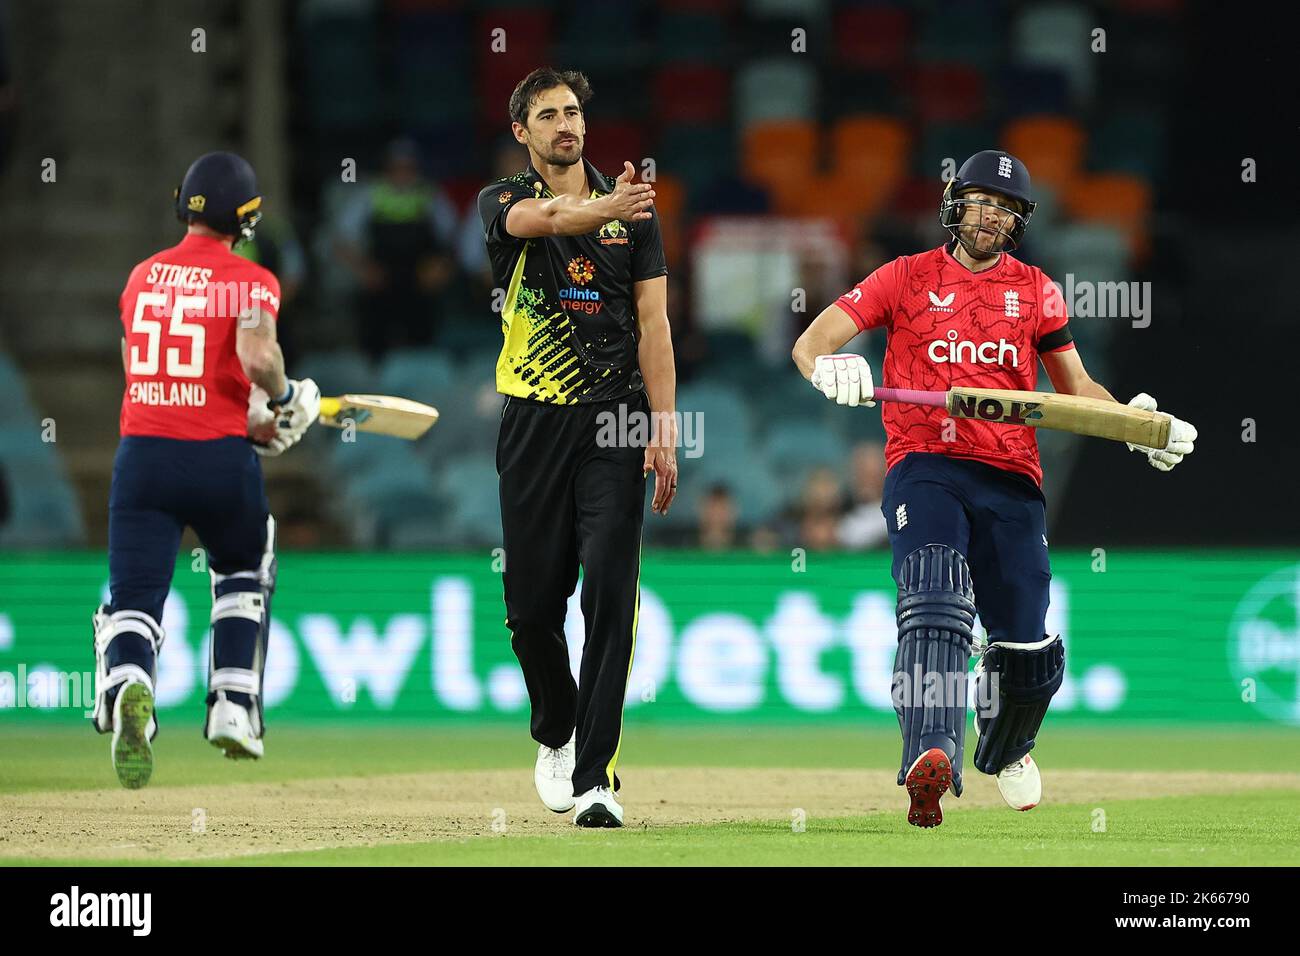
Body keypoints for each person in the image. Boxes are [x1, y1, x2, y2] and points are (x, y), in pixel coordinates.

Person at [792, 150, 1197, 828]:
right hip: (924, 463)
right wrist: (829, 369)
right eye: (981, 200)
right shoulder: (905, 275)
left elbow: (1077, 392)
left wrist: (1135, 424)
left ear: (1020, 222)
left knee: (1026, 646)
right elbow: (813, 342)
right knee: (934, 594)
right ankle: (930, 752)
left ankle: (1008, 745)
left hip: (1011, 475)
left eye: (1006, 208)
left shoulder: (1036, 289)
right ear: (953, 203)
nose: (992, 216)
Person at [478, 68, 677, 828]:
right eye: (547, 115)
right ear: (523, 133)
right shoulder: (502, 202)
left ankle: (596, 777)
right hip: (532, 422)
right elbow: (544, 223)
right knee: (531, 609)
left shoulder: (635, 216)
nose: (566, 124)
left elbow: (653, 325)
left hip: (615, 422)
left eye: (572, 112)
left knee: (609, 593)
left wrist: (664, 427)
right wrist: (602, 208)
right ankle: (555, 728)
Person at [92, 151, 320, 789]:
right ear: (246, 218)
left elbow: (146, 370)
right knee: (244, 567)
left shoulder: (141, 278)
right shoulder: (251, 280)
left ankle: (127, 684)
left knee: (134, 598)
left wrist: (244, 412)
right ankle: (232, 705)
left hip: (143, 455)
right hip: (218, 459)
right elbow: (256, 353)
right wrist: (281, 400)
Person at [334, 137, 459, 361]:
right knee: (374, 333)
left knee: (423, 335)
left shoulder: (430, 195)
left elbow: (452, 238)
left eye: (408, 167)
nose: (402, 173)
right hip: (381, 279)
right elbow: (342, 238)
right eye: (396, 167)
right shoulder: (369, 194)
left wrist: (440, 267)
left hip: (420, 280)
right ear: (386, 167)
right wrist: (363, 269)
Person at [838, 441, 889, 550]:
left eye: (874, 475)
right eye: (863, 473)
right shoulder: (838, 515)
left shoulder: (897, 515)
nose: (868, 481)